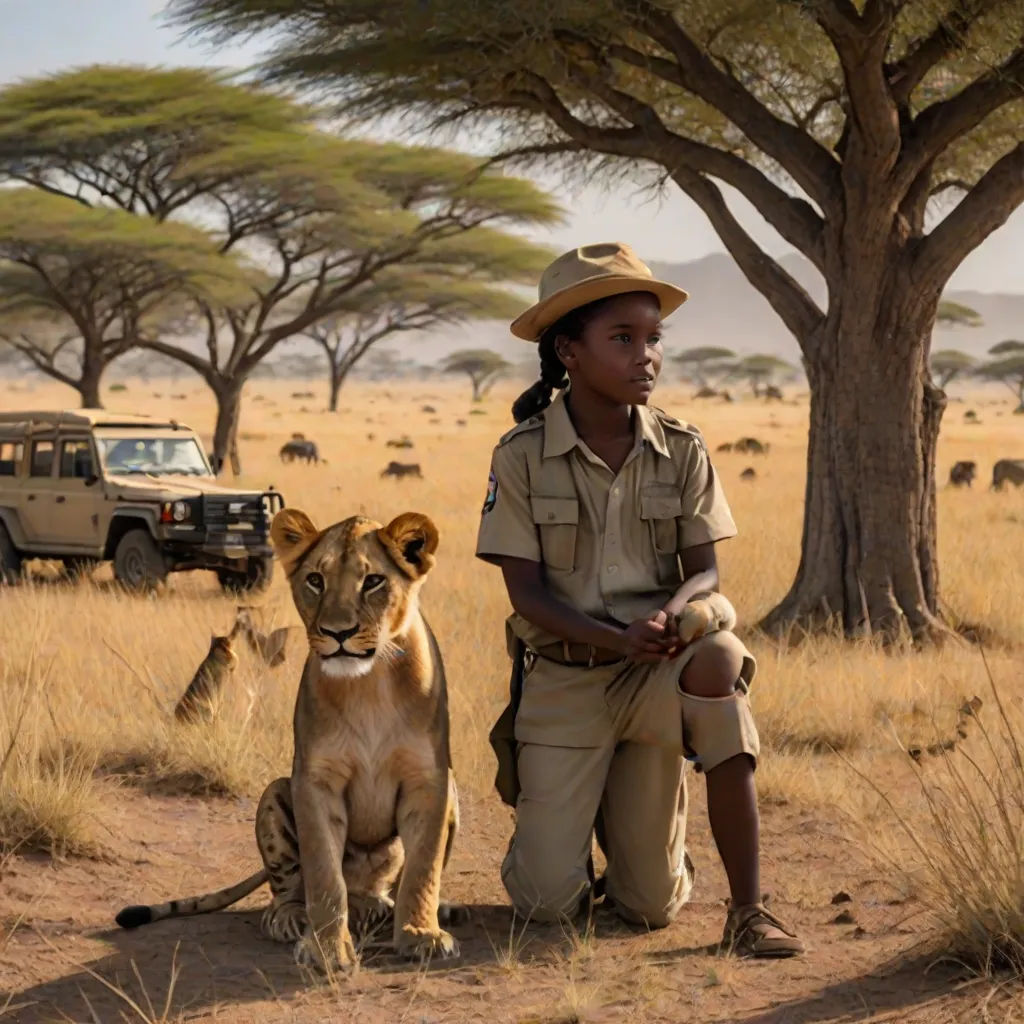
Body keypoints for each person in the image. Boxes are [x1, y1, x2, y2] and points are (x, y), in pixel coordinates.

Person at [475, 242, 803, 958]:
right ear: (569, 350)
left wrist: (668, 615)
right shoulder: (521, 455)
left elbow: (706, 574)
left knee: (651, 906)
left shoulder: (682, 448)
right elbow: (525, 595)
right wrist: (613, 635)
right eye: (622, 339)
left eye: (654, 339)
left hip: (657, 671)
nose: (646, 356)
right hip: (565, 681)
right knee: (545, 906)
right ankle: (565, 831)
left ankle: (749, 911)